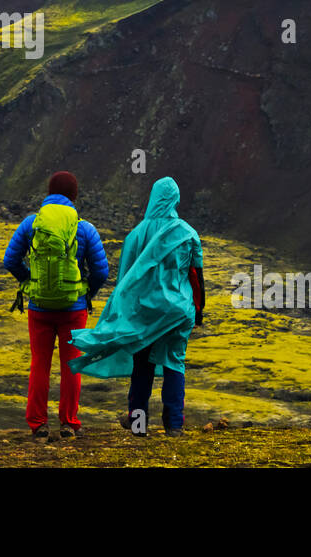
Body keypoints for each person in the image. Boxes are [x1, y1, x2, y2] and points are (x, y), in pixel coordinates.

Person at [68, 176, 204, 437]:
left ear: (152, 198)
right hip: (176, 313)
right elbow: (196, 278)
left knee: (143, 368)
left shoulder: (135, 236)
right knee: (174, 363)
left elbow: (125, 283)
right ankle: (174, 427)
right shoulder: (187, 233)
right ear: (175, 199)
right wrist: (197, 312)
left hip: (143, 315)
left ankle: (139, 426)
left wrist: (121, 316)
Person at [2, 170, 109, 439]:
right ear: (74, 196)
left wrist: (30, 281)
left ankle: (38, 424)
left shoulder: (31, 224)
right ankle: (68, 423)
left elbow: (10, 260)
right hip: (74, 309)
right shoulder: (84, 228)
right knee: (72, 365)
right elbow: (101, 271)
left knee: (40, 363)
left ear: (49, 193)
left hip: (39, 308)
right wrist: (87, 295)